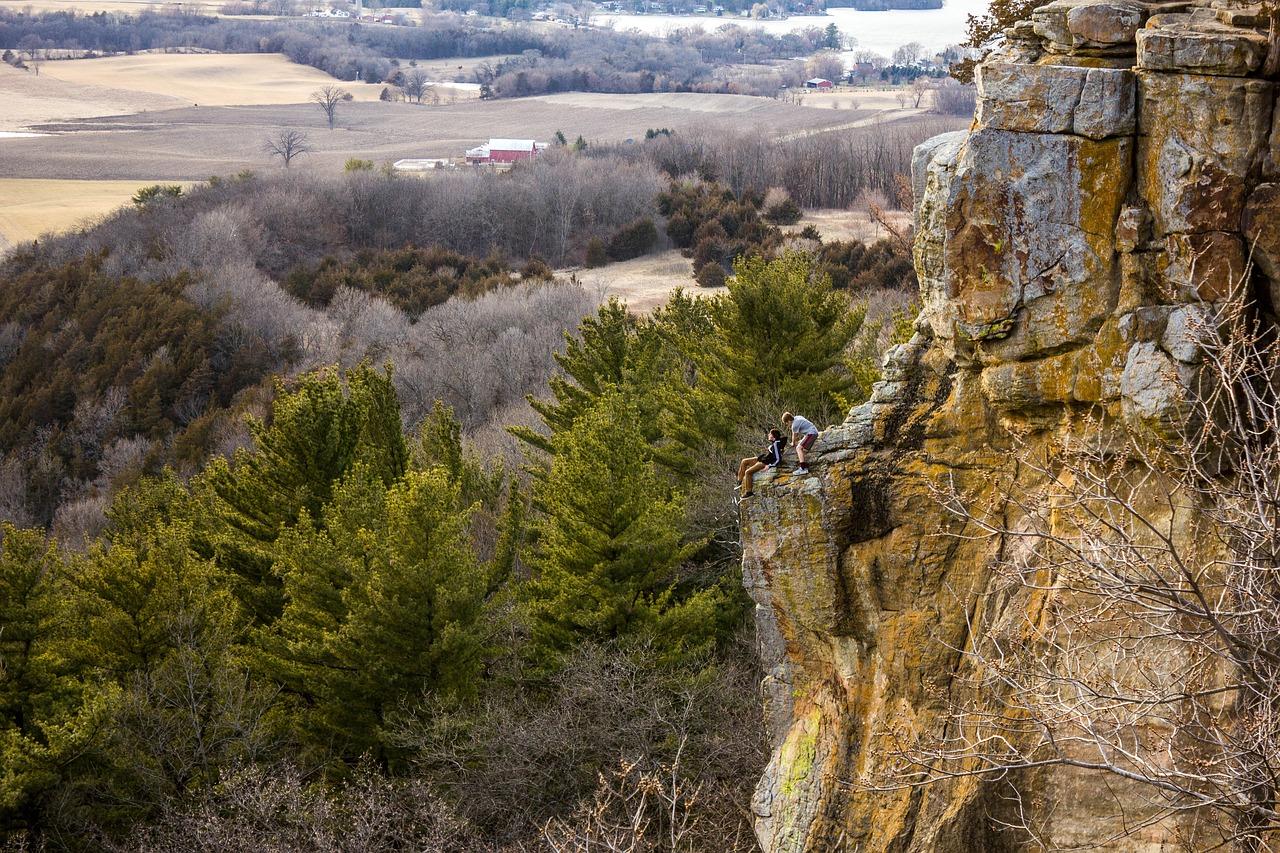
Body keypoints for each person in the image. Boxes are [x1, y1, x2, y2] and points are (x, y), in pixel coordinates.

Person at [736, 428, 787, 500]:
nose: (768, 435)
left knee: (748, 472)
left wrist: (769, 466)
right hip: (763, 458)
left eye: (770, 434)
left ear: (773, 436)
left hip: (765, 462)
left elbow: (778, 459)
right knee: (744, 461)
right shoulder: (775, 442)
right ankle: (739, 482)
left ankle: (749, 492)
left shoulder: (776, 444)